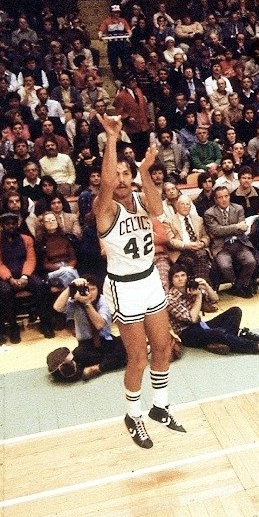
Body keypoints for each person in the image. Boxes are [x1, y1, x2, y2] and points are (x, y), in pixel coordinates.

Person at [95, 113, 185, 449]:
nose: (119, 178)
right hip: (123, 285)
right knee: (138, 357)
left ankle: (159, 407)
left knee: (162, 347)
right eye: (115, 172)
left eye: (125, 172)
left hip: (148, 279)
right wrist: (113, 139)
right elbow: (105, 184)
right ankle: (133, 415)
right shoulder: (103, 208)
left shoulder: (141, 201)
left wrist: (145, 170)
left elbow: (159, 207)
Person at [166, 263, 259, 355]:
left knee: (235, 311)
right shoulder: (170, 299)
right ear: (172, 280)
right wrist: (199, 296)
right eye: (176, 276)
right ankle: (258, 347)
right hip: (187, 333)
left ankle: (218, 342)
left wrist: (207, 286)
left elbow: (215, 299)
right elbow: (192, 319)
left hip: (201, 326)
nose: (180, 279)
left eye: (183, 275)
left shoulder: (191, 287)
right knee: (219, 332)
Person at [0, 211, 54, 343]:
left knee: (41, 286)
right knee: (5, 292)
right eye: (7, 224)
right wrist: (10, 278)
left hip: (25, 273)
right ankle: (13, 327)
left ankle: (44, 323)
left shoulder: (27, 239)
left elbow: (30, 259)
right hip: (5, 277)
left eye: (13, 223)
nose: (11, 226)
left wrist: (24, 276)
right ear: (2, 225)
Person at [51, 276, 126, 380]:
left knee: (129, 344)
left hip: (106, 341)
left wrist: (87, 304)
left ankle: (97, 368)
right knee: (79, 355)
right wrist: (70, 287)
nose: (90, 293)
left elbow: (99, 325)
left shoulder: (104, 300)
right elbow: (57, 308)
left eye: (93, 289)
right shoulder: (75, 301)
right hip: (86, 345)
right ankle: (109, 362)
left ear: (98, 289)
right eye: (87, 289)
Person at [203, 185, 257, 298]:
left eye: (226, 196)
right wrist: (236, 227)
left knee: (251, 261)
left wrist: (229, 229)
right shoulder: (209, 213)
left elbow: (243, 228)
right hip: (221, 246)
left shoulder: (238, 208)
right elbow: (216, 231)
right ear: (215, 199)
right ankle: (236, 284)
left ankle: (239, 286)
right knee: (224, 266)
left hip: (239, 243)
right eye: (220, 197)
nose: (224, 199)